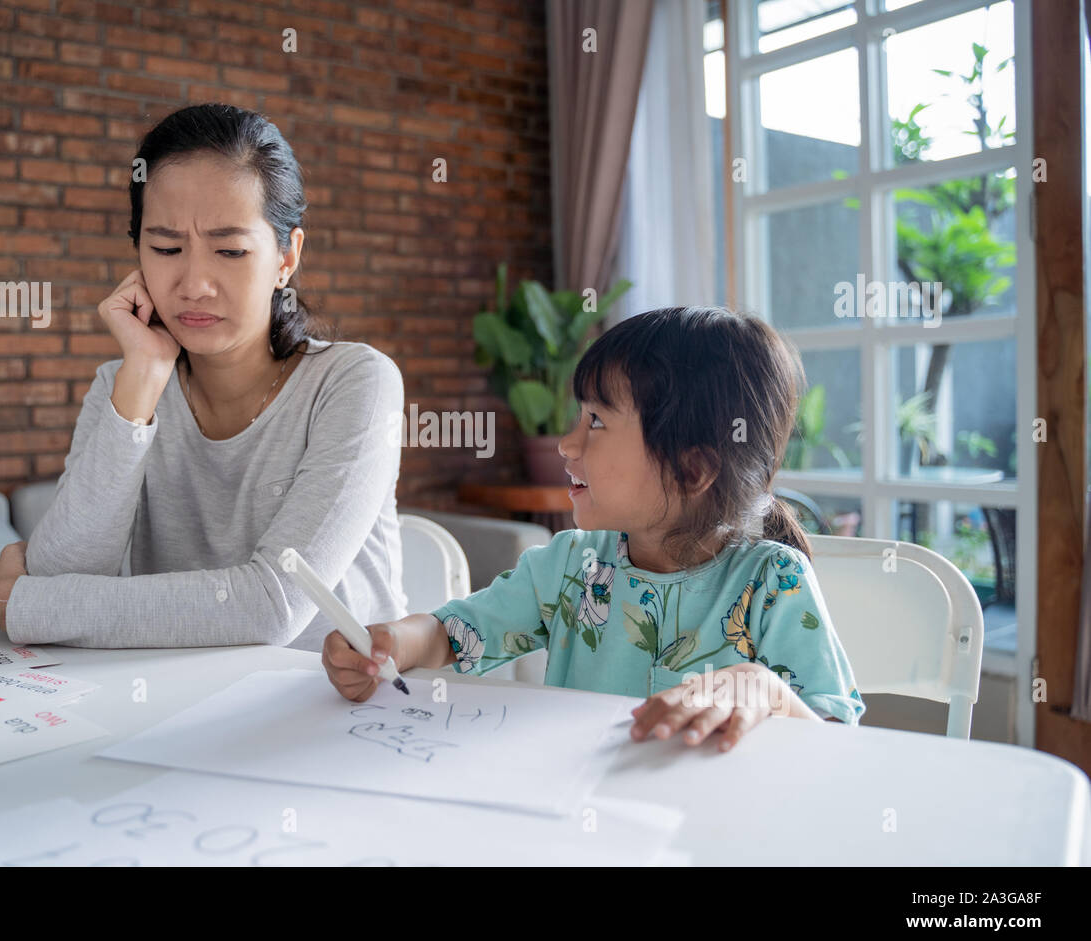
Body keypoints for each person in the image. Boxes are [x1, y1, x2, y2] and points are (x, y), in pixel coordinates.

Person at [322, 307, 865, 752]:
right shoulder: (570, 567)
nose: (566, 443)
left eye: (597, 422)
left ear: (693, 470)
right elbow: (452, 633)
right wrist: (392, 643)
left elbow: (836, 745)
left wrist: (766, 690)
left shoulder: (775, 583)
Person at [0, 104, 407, 650]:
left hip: (340, 717)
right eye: (165, 248)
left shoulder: (355, 383)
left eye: (230, 250)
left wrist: (21, 606)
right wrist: (143, 377)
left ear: (286, 256)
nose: (194, 283)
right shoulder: (122, 385)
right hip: (176, 709)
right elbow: (63, 569)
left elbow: (270, 609)